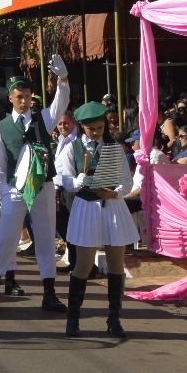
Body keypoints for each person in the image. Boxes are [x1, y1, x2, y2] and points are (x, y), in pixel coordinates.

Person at [0, 57, 71, 314]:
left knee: (45, 239)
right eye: (18, 96)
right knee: (7, 240)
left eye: (27, 96)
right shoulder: (0, 128)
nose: (23, 101)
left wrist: (63, 80)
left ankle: (50, 293)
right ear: (10, 98)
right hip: (14, 190)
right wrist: (0, 190)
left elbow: (61, 103)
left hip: (43, 187)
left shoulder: (43, 118)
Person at [53, 101, 137, 337]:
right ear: (82, 127)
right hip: (86, 207)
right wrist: (75, 182)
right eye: (92, 129)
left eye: (100, 128)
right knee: (83, 265)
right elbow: (62, 177)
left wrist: (116, 192)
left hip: (112, 206)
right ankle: (73, 318)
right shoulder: (73, 148)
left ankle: (114, 318)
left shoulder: (114, 147)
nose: (97, 133)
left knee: (116, 264)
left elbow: (126, 181)